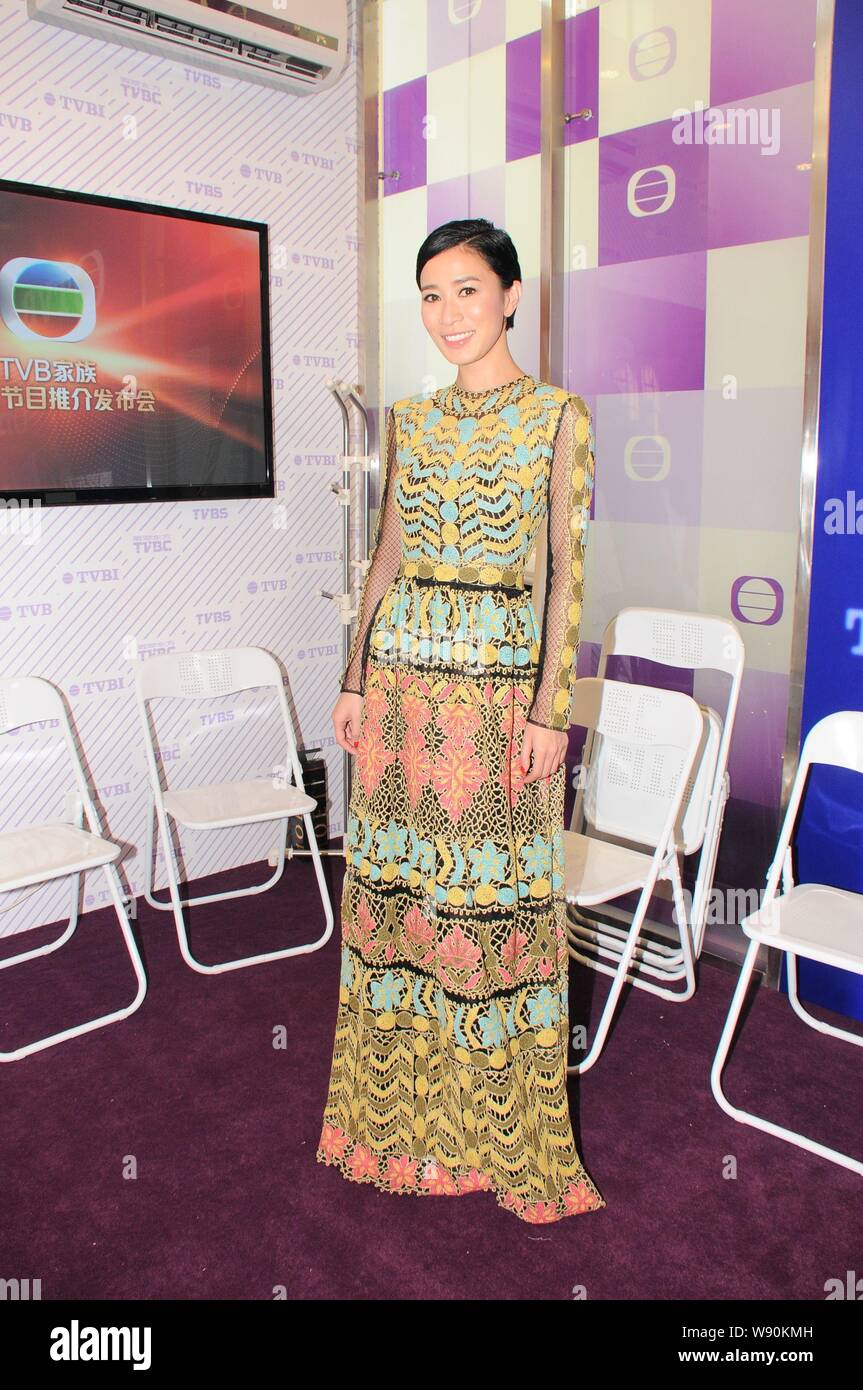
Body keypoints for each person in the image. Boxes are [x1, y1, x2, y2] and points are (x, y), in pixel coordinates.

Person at [317, 218, 604, 1223]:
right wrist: (353, 679)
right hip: (401, 685)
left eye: (468, 290)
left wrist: (548, 713)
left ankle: (492, 1134)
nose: (447, 314)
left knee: (486, 909)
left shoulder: (559, 416)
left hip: (494, 691)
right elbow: (384, 557)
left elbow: (567, 575)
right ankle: (402, 1125)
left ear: (512, 295)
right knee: (401, 898)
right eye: (430, 294)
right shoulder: (408, 420)